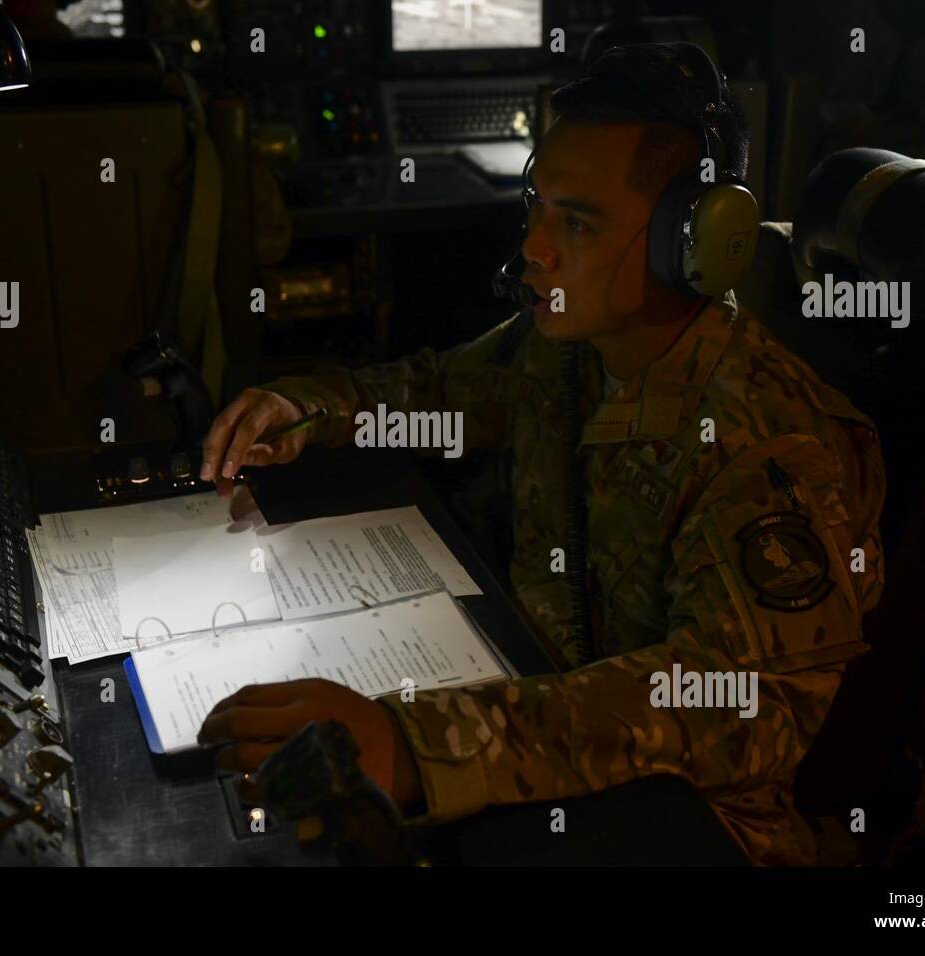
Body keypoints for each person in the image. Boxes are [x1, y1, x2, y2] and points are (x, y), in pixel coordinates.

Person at [195, 43, 887, 866]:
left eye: (579, 222)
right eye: (538, 205)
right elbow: (440, 394)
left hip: (689, 827)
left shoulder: (768, 443)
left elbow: (732, 707)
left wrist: (423, 744)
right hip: (533, 726)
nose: (533, 247)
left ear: (694, 243)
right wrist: (310, 406)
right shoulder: (568, 346)